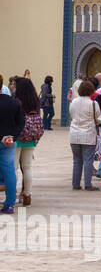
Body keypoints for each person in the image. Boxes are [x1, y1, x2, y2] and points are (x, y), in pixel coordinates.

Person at [13, 77, 44, 205]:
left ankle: (12, 195)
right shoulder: (35, 100)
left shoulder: (16, 101)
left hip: (17, 136)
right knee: (27, 167)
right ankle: (27, 195)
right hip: (31, 137)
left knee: (13, 168)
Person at [68, 78, 99, 190]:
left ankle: (75, 184)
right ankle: (88, 184)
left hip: (74, 134)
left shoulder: (73, 102)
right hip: (88, 133)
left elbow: (72, 115)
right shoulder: (93, 103)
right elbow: (98, 118)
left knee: (77, 160)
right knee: (88, 159)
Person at [0, 86, 21, 214]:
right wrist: (11, 136)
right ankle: (9, 204)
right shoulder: (13, 102)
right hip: (9, 142)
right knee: (9, 172)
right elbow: (20, 122)